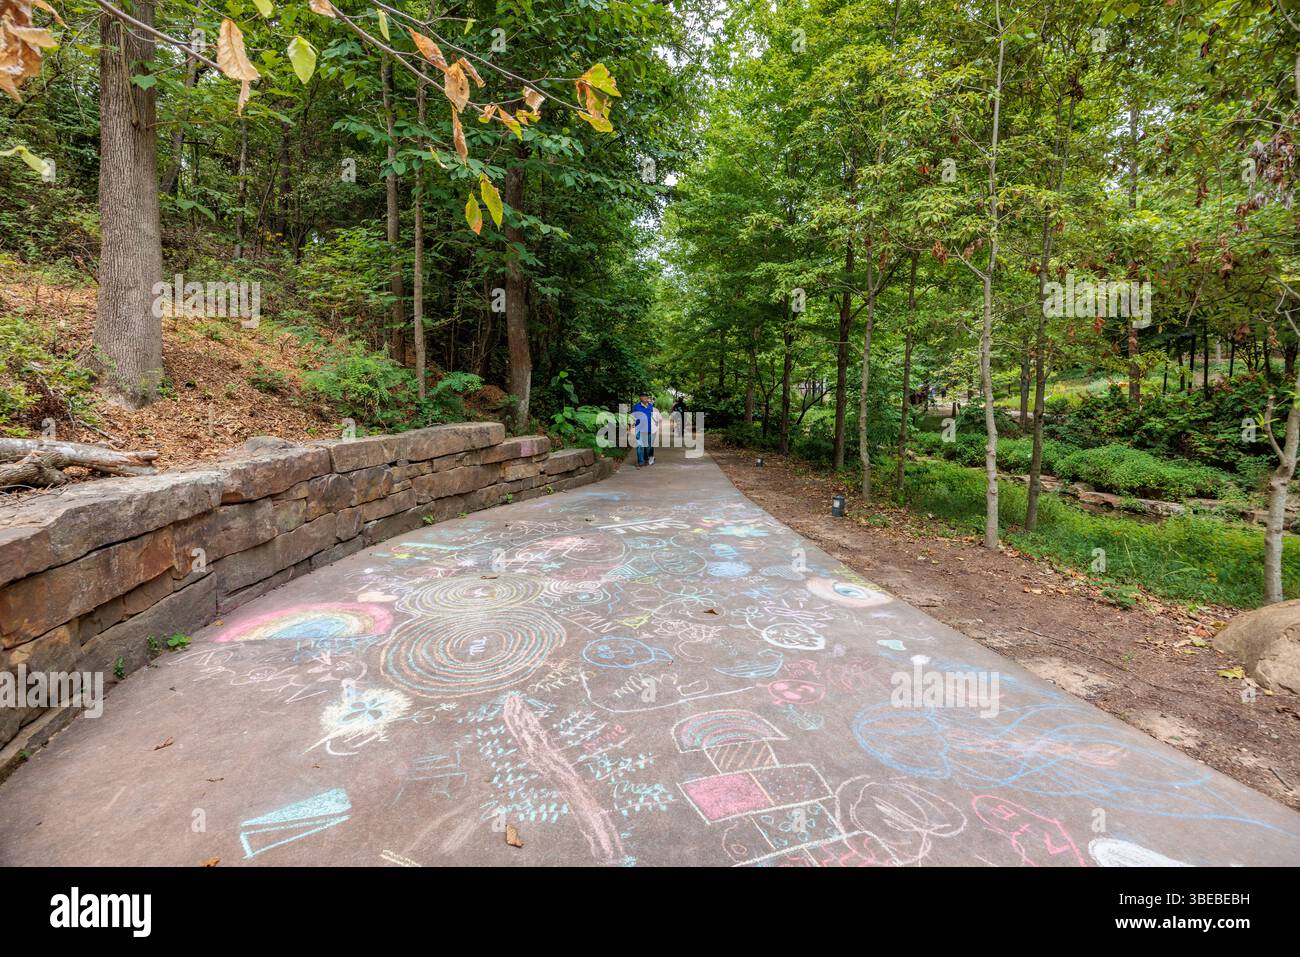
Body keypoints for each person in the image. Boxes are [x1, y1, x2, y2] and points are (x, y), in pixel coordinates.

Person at [630, 392, 652, 467]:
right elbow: (632, 417)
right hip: (639, 429)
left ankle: (646, 459)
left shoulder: (651, 406)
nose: (645, 397)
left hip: (649, 429)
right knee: (640, 446)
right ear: (640, 398)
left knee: (648, 446)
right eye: (643, 396)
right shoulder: (636, 407)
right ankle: (640, 461)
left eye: (646, 396)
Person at [648, 397, 662, 465]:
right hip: (644, 429)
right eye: (649, 401)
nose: (650, 403)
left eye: (651, 402)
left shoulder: (655, 410)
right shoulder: (643, 410)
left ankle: (651, 457)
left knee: (650, 444)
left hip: (653, 430)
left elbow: (660, 419)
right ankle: (647, 456)